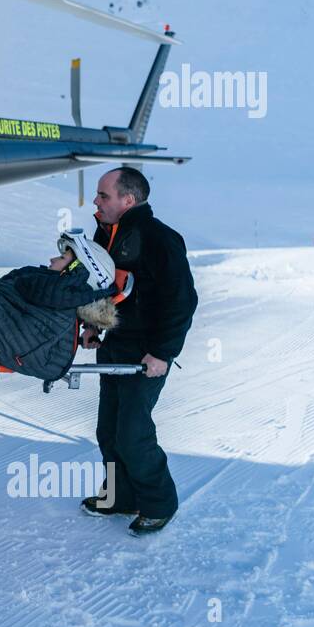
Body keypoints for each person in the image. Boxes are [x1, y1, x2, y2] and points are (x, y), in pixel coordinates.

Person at [82, 167, 197, 535]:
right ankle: (119, 496)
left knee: (132, 432)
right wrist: (93, 326)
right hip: (115, 344)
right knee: (108, 430)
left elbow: (181, 301)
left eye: (104, 195)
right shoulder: (104, 236)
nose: (96, 202)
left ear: (127, 200)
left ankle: (159, 503)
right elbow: (103, 287)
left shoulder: (160, 238)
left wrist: (162, 353)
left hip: (146, 353)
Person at [0, 229, 119, 391]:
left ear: (76, 270)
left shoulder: (58, 309)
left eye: (61, 258)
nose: (52, 259)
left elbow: (18, 340)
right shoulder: (51, 299)